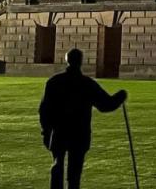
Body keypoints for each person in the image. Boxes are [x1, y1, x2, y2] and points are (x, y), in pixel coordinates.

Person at [39, 49, 127, 189]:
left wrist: (45, 131)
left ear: (67, 60)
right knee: (74, 174)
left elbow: (44, 110)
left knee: (57, 165)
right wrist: (120, 96)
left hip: (59, 131)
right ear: (81, 62)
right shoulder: (87, 84)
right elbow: (105, 105)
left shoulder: (54, 82)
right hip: (79, 133)